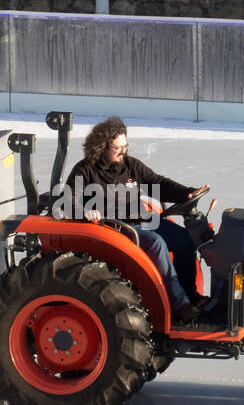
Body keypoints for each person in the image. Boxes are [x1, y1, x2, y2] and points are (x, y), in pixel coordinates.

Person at [62, 116, 210, 325]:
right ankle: (180, 306)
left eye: (125, 145)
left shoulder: (131, 166)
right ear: (102, 146)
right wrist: (84, 211)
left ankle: (190, 294)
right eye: (117, 147)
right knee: (156, 243)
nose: (123, 151)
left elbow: (157, 182)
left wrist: (186, 193)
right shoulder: (85, 170)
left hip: (142, 220)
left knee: (184, 240)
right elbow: (67, 200)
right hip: (114, 228)